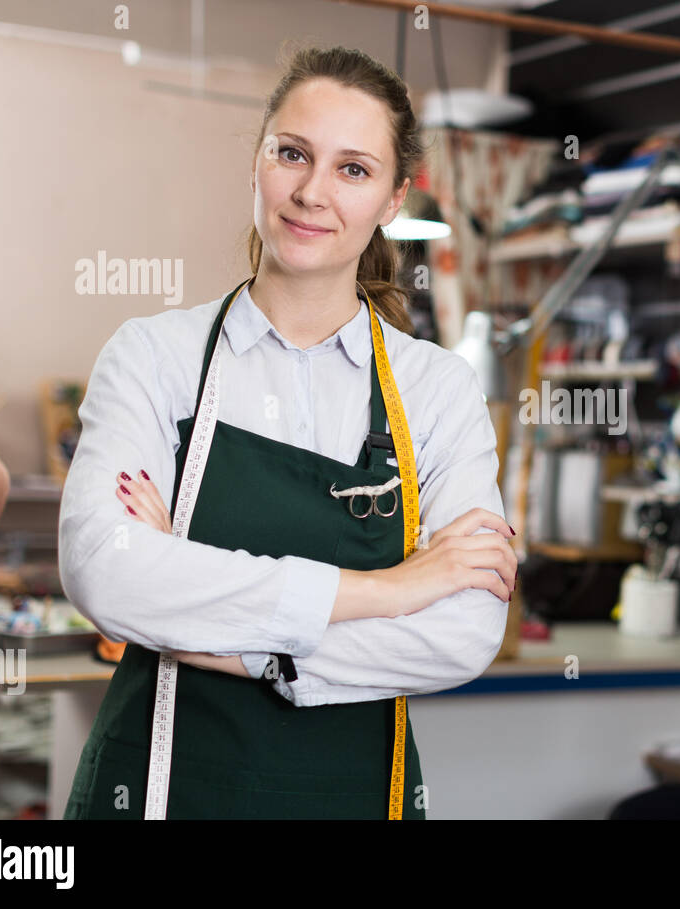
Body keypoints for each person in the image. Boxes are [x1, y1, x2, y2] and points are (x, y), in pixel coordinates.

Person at [58, 45, 517, 819]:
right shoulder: (154, 356)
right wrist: (389, 589)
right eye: (293, 154)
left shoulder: (438, 391)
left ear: (394, 198)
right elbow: (105, 571)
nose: (311, 192)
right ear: (258, 162)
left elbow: (464, 631)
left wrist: (194, 623)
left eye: (354, 169)